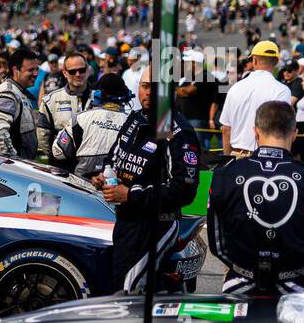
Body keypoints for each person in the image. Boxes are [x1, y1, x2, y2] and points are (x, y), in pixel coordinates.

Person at [208, 100, 304, 293]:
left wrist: (242, 267)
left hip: (239, 284)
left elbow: (217, 245)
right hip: (296, 289)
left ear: (255, 132)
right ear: (295, 134)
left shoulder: (224, 175)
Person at [97, 67, 201, 294]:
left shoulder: (177, 131)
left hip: (156, 227)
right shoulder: (135, 118)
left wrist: (130, 194)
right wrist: (103, 175)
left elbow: (184, 189)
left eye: (156, 88)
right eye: (145, 86)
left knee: (129, 293)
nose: (148, 93)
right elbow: (113, 157)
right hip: (125, 224)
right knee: (119, 289)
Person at [218, 40, 292, 156]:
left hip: (238, 155)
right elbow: (281, 130)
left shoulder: (236, 87)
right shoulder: (282, 90)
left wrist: (228, 159)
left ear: (254, 60)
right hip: (267, 157)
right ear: (276, 61)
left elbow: (226, 129)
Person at [52, 73, 133, 178]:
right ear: (127, 96)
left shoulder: (80, 118)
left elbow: (58, 152)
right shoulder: (133, 124)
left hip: (81, 187)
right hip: (116, 188)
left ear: (97, 94)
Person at [0, 46, 40, 159]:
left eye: (36, 69)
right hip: (13, 169)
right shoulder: (8, 93)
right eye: (31, 70)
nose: (35, 74)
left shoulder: (18, 91)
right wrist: (12, 162)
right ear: (16, 70)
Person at [37, 50, 92, 164]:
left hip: (91, 167)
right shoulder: (51, 100)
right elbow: (43, 136)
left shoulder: (100, 98)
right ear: (65, 73)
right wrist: (56, 155)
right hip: (61, 164)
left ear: (87, 70)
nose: (78, 74)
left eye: (82, 70)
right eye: (72, 71)